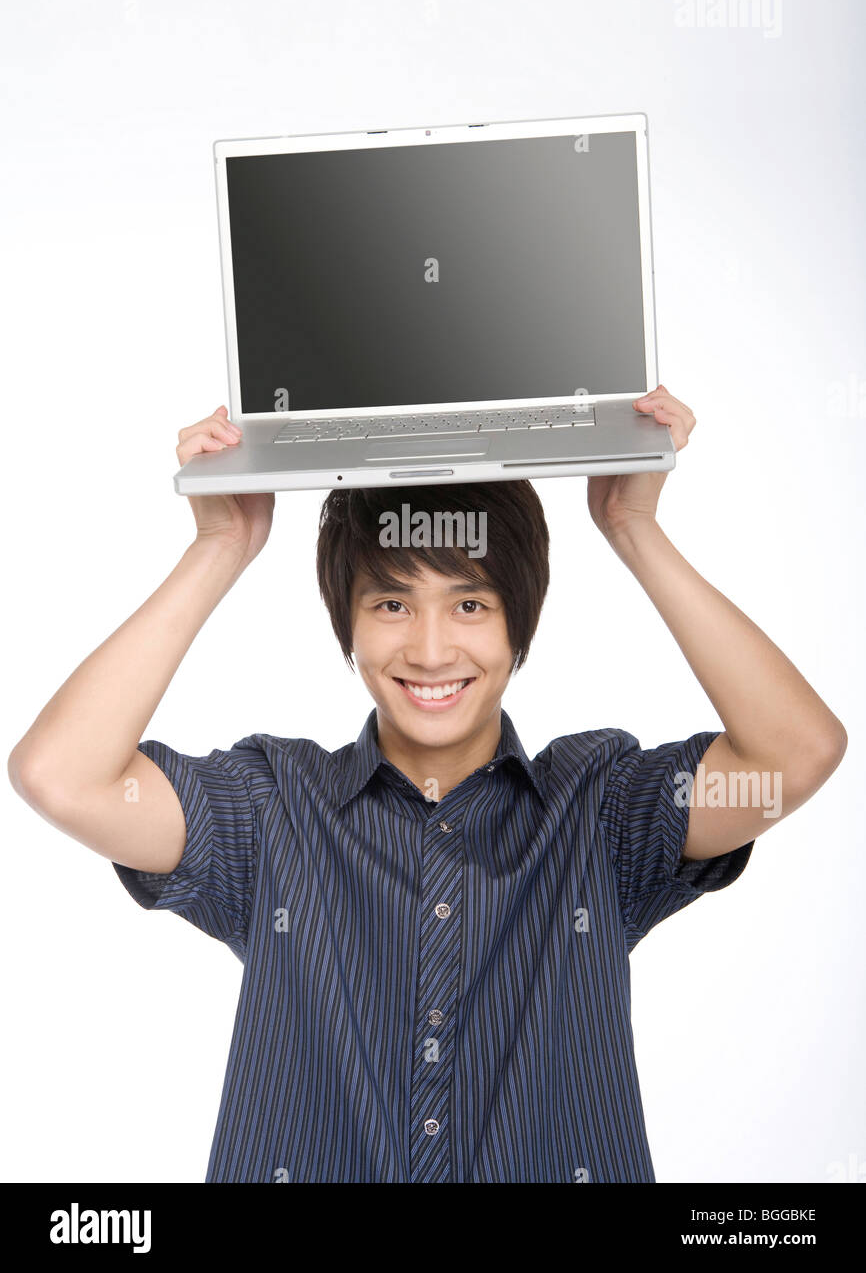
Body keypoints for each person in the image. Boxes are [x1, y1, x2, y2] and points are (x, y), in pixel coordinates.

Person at [8, 387, 847, 1183]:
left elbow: (795, 755)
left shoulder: (599, 810)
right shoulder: (273, 809)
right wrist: (217, 548)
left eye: (472, 605)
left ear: (521, 621)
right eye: (392, 605)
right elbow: (63, 775)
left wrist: (633, 528)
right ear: (349, 625)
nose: (433, 650)